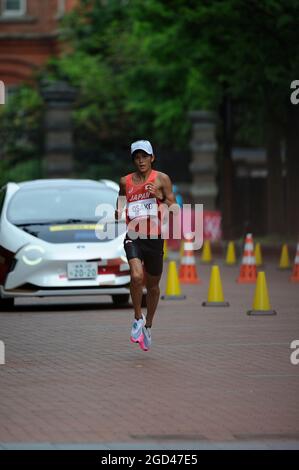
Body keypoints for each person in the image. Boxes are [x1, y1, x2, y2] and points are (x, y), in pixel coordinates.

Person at [115, 140, 177, 351]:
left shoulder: (161, 179)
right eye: (137, 157)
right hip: (133, 234)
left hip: (155, 237)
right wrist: (118, 211)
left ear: (152, 158)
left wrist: (159, 196)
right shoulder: (125, 181)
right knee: (136, 277)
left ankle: (148, 325)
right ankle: (137, 318)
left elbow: (175, 207)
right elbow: (121, 200)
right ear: (133, 159)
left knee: (153, 287)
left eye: (144, 156)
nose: (141, 161)